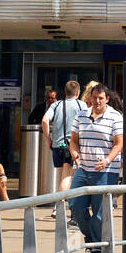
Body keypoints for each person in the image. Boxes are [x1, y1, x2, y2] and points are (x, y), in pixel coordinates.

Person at [68, 85, 123, 253]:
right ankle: (91, 239)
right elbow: (74, 141)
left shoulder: (115, 117)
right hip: (83, 168)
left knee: (99, 211)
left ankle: (97, 246)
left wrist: (107, 160)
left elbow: (119, 143)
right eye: (94, 98)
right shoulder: (81, 115)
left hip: (106, 171)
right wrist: (75, 153)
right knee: (75, 206)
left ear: (107, 98)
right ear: (90, 98)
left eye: (101, 98)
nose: (97, 101)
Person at [43, 80, 86, 219]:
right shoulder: (82, 105)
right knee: (68, 176)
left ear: (65, 92)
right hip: (72, 147)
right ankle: (58, 206)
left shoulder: (56, 104)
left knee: (64, 176)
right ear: (78, 92)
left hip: (57, 146)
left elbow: (44, 120)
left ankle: (65, 206)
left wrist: (48, 139)